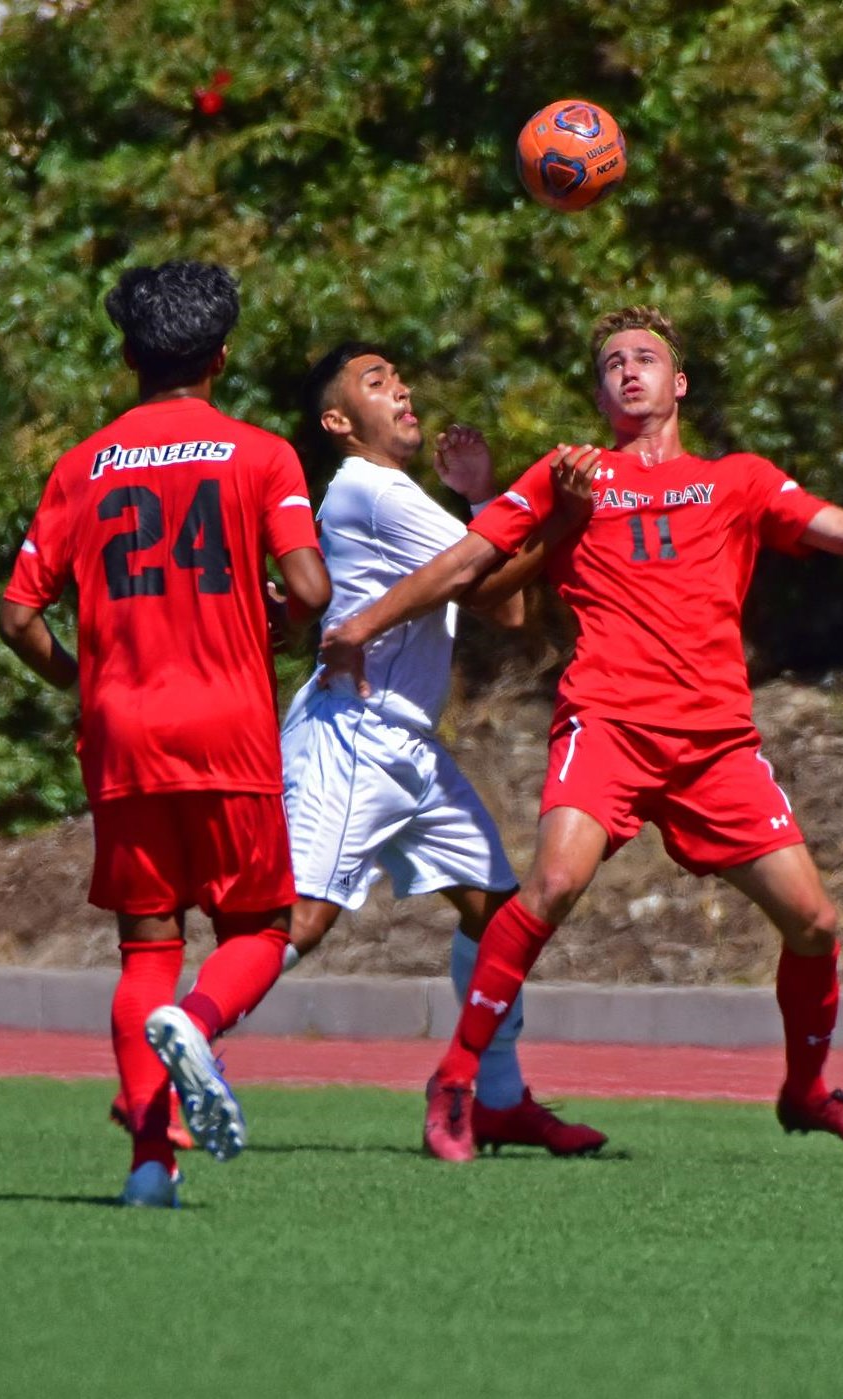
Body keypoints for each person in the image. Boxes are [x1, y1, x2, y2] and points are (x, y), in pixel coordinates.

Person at [319, 305, 843, 1161]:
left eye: (646, 358)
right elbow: (474, 566)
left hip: (714, 745)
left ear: (679, 383)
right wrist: (367, 620)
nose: (630, 370)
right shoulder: (571, 473)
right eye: (614, 364)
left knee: (815, 921)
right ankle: (456, 1081)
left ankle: (807, 1091)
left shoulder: (738, 478)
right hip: (610, 723)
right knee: (551, 885)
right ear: (601, 395)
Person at [0, 260, 331, 1208]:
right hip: (228, 726)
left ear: (129, 355)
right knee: (261, 927)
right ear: (220, 355)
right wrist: (280, 617)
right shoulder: (262, 455)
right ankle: (195, 1022)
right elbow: (307, 590)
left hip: (124, 731)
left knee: (146, 946)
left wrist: (83, 681)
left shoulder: (84, 464)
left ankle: (151, 1164)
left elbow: (18, 616)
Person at [276, 341, 605, 1155]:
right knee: (302, 921)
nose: (403, 389)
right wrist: (558, 515)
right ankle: (180, 1047)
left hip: (406, 745)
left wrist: (484, 500)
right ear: (339, 420)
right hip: (352, 735)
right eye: (376, 382)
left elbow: (507, 606)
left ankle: (495, 1097)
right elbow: (485, 581)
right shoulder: (372, 489)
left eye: (400, 376)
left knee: (497, 915)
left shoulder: (402, 498)